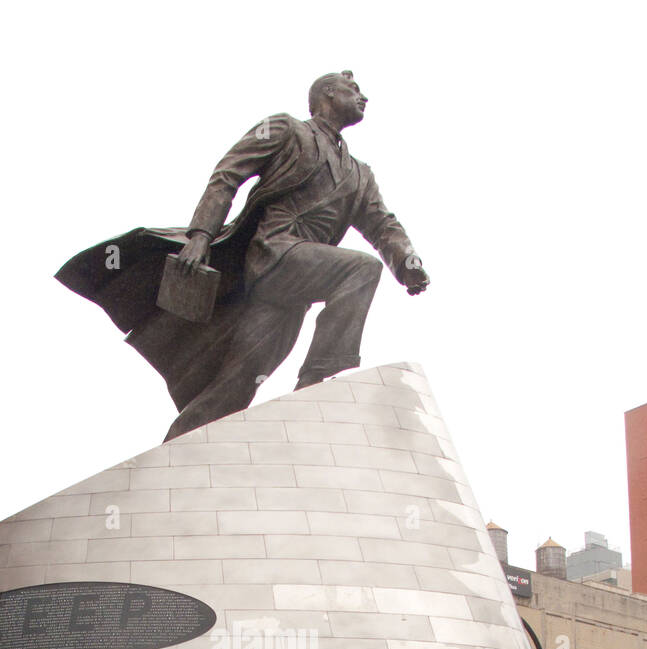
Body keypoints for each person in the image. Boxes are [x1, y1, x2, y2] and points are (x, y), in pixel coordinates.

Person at [56, 71, 428, 440]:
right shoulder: (286, 129)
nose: (365, 97)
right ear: (328, 93)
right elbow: (227, 174)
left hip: (295, 290)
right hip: (273, 253)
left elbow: (383, 224)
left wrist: (407, 263)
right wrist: (200, 235)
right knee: (361, 269)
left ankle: (174, 454)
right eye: (354, 89)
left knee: (236, 384)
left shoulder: (360, 175)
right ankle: (318, 381)